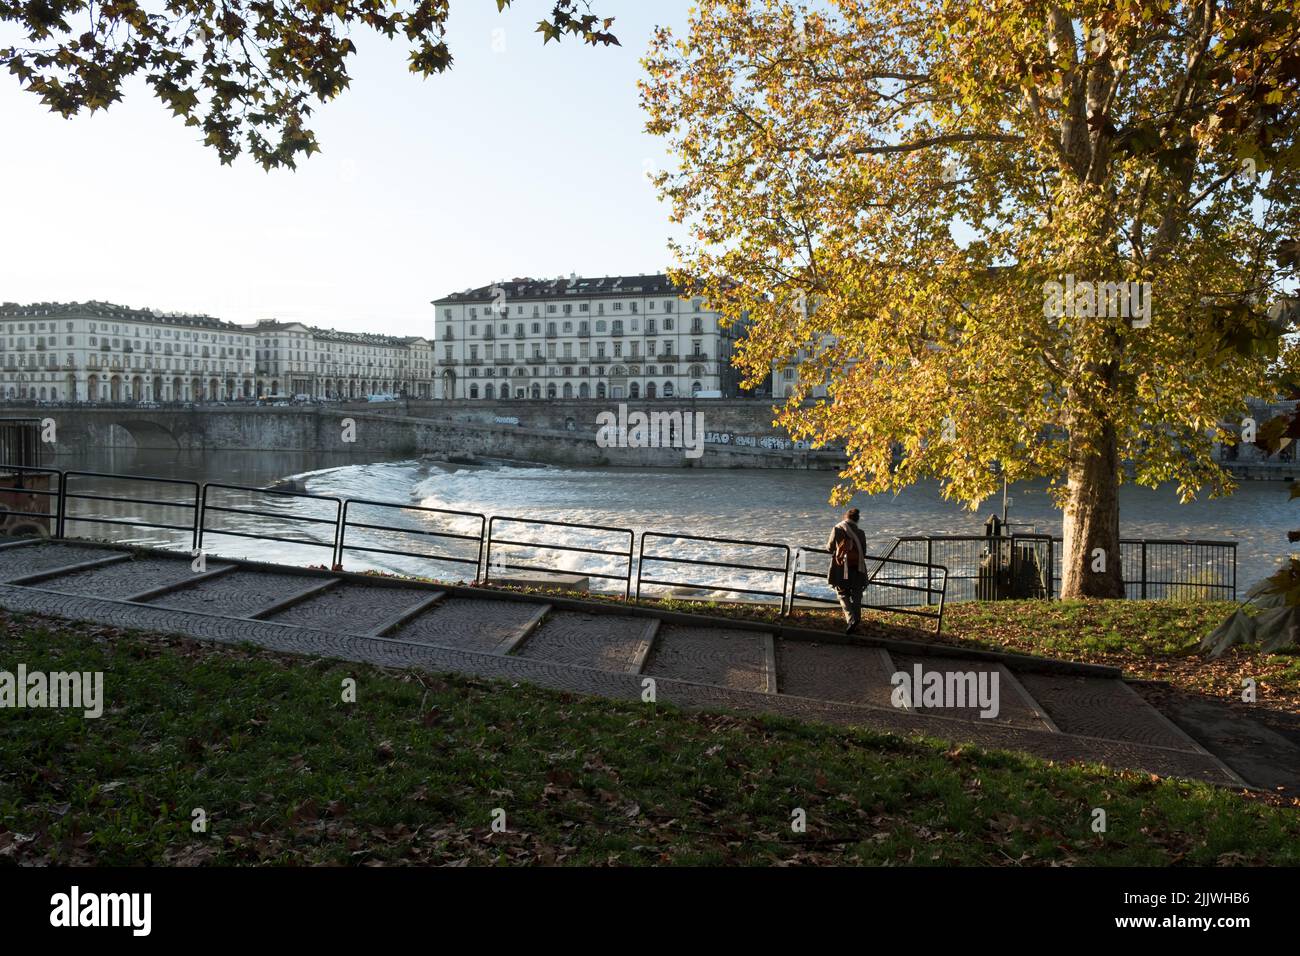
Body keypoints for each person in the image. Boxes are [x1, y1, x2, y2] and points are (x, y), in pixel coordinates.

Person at [826, 507, 868, 633]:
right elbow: (864, 552)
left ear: (845, 517)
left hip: (841, 568)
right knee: (857, 594)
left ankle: (851, 619)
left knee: (842, 593)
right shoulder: (861, 533)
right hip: (857, 568)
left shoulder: (837, 529)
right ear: (857, 520)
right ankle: (857, 619)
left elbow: (829, 547)